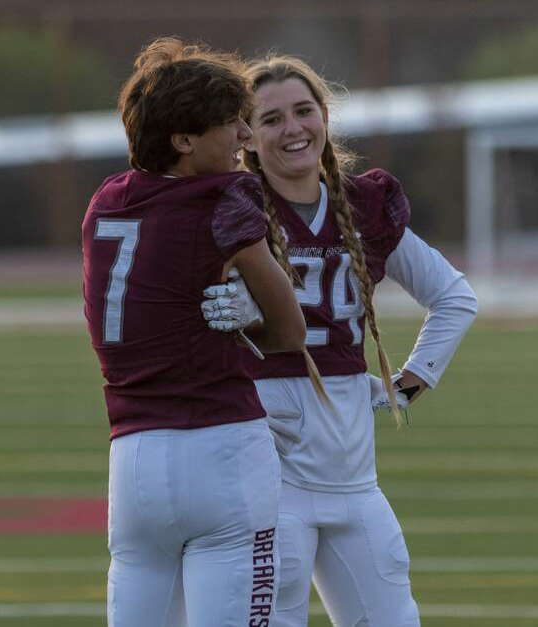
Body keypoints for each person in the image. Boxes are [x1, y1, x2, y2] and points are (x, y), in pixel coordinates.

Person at [200, 55, 478, 626]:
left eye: (304, 111)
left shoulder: (363, 206)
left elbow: (454, 297)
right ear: (246, 135)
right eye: (272, 118)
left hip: (353, 469)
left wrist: (411, 381)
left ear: (324, 116)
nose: (293, 128)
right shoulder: (231, 207)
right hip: (267, 465)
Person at [83, 38, 313, 627]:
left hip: (132, 459)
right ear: (183, 140)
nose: (244, 135)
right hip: (221, 449)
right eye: (228, 122)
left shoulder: (105, 203)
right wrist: (252, 314)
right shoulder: (223, 197)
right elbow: (289, 331)